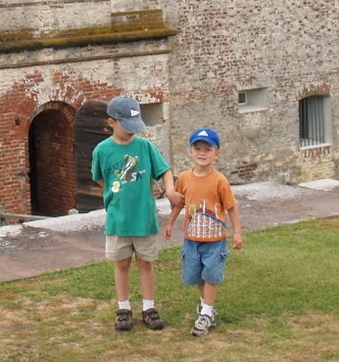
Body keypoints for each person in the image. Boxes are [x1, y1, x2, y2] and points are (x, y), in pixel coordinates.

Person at [90, 94, 181, 331]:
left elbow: (164, 170)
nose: (132, 132)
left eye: (135, 127)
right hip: (118, 221)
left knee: (145, 263)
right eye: (126, 126)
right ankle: (124, 308)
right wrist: (116, 197)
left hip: (144, 219)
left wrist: (170, 190)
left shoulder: (145, 146)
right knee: (121, 264)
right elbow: (101, 179)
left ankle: (149, 308)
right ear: (111, 122)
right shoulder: (102, 150)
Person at [162, 126, 244, 336]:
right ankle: (206, 307)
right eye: (197, 148)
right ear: (190, 151)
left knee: (210, 275)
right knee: (197, 275)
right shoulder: (184, 179)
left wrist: (237, 232)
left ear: (217, 154)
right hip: (192, 238)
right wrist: (170, 223)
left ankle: (206, 313)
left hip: (214, 240)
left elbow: (231, 207)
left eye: (207, 149)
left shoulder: (219, 181)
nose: (201, 153)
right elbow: (179, 204)